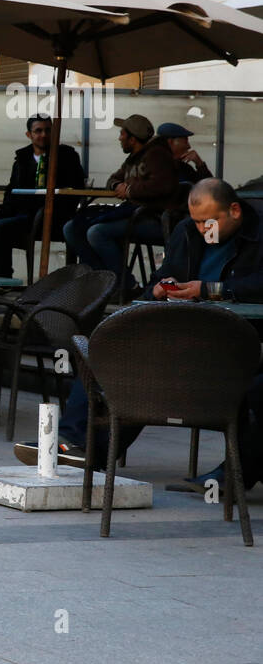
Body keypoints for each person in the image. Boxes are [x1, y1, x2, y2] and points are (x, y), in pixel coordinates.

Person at [19, 180, 263, 477]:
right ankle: (74, 444)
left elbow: (257, 286)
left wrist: (211, 289)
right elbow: (162, 277)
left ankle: (91, 453)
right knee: (108, 352)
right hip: (181, 332)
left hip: (234, 340)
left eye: (208, 221)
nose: (203, 230)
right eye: (197, 221)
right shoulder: (188, 231)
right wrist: (158, 290)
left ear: (234, 210)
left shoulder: (258, 234)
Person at [64, 114, 178, 292]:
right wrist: (119, 185)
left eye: (122, 134)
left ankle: (124, 283)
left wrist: (130, 190)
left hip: (154, 219)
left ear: (132, 138)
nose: (119, 138)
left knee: (97, 232)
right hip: (133, 215)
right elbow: (113, 179)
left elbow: (163, 185)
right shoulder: (133, 158)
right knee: (72, 228)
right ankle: (103, 281)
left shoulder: (157, 155)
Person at [0, 115, 86, 278]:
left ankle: (3, 276)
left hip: (49, 216)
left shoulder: (66, 156)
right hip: (17, 214)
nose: (43, 134)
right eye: (38, 131)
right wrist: (6, 209)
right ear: (29, 135)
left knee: (0, 227)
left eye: (48, 130)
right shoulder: (22, 158)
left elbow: (76, 188)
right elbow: (11, 190)